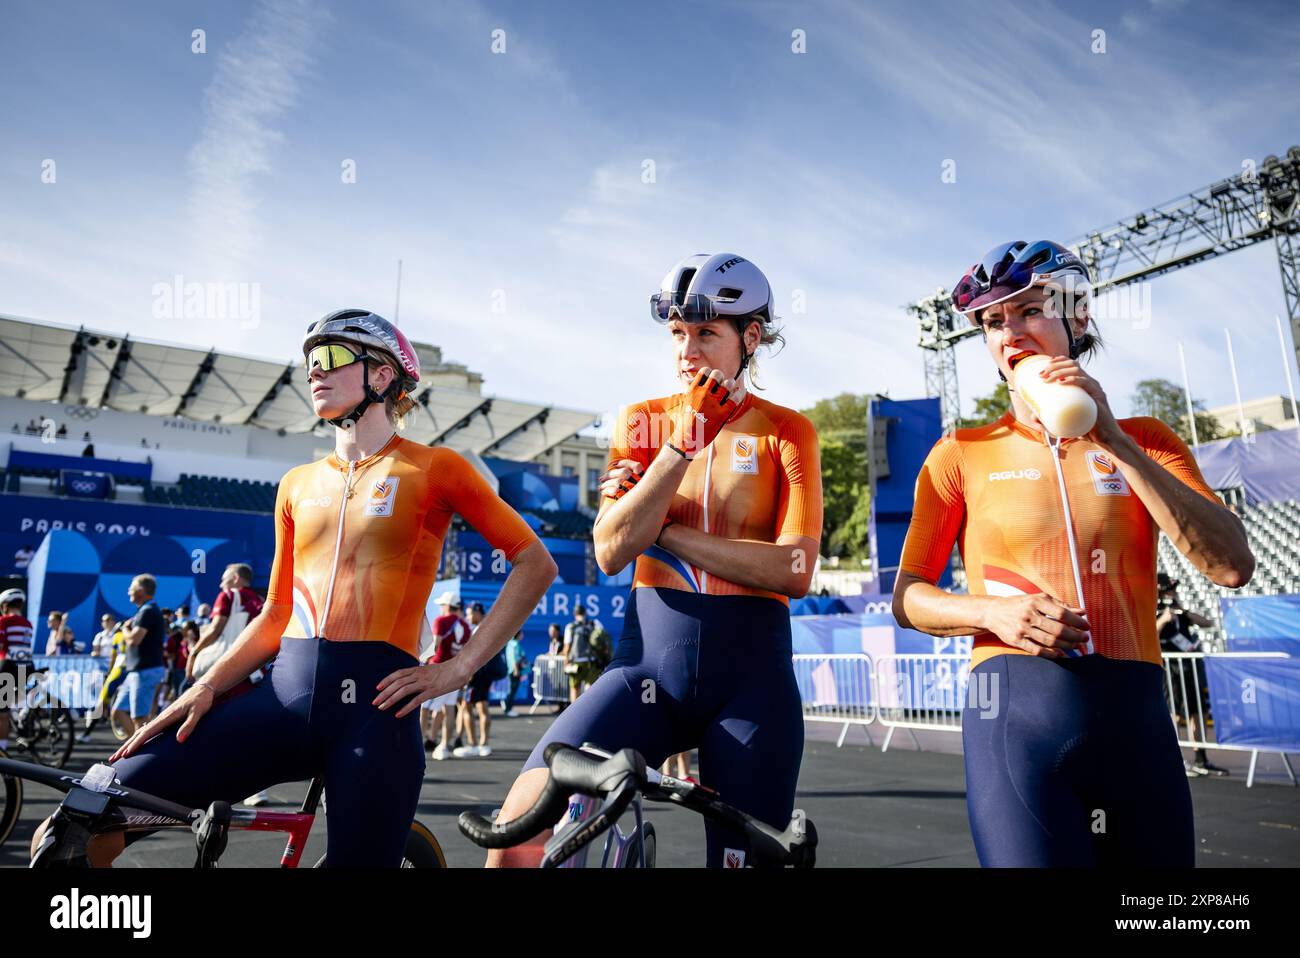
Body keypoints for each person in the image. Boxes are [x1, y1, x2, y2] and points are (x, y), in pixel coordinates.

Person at [48, 308, 556, 868]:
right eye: (310, 362)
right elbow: (276, 612)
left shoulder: (437, 468)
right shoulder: (296, 483)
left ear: (382, 375)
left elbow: (535, 563)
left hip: (375, 716)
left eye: (333, 358)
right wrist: (207, 686)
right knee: (84, 818)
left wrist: (458, 668)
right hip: (281, 701)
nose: (315, 372)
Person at [892, 239, 1255, 868]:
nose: (1010, 333)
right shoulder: (962, 451)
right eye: (992, 322)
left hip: (1135, 724)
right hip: (1014, 719)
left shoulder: (1146, 438)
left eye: (1029, 309)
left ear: (1078, 317)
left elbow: (1231, 565)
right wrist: (991, 614)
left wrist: (1112, 438)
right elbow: (909, 598)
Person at [489, 253, 823, 868]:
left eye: (705, 333)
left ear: (751, 337)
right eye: (677, 333)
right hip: (646, 673)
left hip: (752, 688)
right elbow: (613, 549)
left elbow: (795, 571)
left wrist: (662, 532)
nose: (686, 350)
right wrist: (682, 443)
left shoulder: (788, 430)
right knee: (517, 834)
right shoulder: (642, 422)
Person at [1156, 573, 1227, 777]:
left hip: (1189, 667)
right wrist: (1163, 619)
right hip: (1172, 670)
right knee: (1175, 715)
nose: (1173, 592)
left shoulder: (1180, 612)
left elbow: (1207, 623)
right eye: (1169, 589)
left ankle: (1200, 759)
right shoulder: (1153, 611)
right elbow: (1149, 633)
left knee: (1199, 712)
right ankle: (1173, 760)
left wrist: (1184, 613)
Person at [108, 575, 169, 736]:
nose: (128, 591)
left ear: (141, 591)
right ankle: (135, 751)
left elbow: (134, 640)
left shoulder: (147, 611)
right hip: (138, 671)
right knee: (118, 712)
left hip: (145, 671)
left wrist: (124, 629)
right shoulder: (145, 610)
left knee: (140, 719)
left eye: (131, 588)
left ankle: (143, 756)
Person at [187, 563, 263, 685]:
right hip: (254, 670)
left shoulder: (228, 595)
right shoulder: (261, 602)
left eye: (223, 580)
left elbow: (215, 629)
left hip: (226, 669)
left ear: (235, 578)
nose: (221, 585)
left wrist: (194, 653)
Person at [423, 592, 471, 760]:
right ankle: (443, 745)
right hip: (454, 671)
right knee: (449, 709)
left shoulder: (440, 621)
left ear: (447, 606)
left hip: (436, 669)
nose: (440, 607)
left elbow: (434, 646)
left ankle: (422, 740)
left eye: (442, 605)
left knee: (425, 707)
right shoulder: (465, 626)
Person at [457, 601, 505, 757]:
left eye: (470, 613)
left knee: (467, 706)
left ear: (478, 612)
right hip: (483, 674)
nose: (468, 616)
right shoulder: (488, 626)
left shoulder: (481, 629)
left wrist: (468, 674)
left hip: (476, 675)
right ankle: (483, 744)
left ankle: (474, 744)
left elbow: (475, 655)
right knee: (481, 706)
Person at [0, 589, 34, 753]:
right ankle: (22, 715)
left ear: (5, 605)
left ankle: (3, 750)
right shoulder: (28, 624)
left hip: (8, 666)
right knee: (15, 698)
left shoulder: (3, 621)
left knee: (2, 712)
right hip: (27, 667)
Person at [560, 605, 604, 703]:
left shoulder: (570, 627)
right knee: (590, 689)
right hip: (591, 661)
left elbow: (567, 648)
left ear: (574, 614)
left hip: (576, 662)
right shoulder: (594, 624)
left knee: (575, 688)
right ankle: (589, 712)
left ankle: (574, 714)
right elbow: (603, 639)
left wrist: (565, 663)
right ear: (585, 613)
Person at [502, 629, 526, 716]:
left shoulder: (510, 644)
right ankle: (508, 709)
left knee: (511, 690)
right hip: (514, 671)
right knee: (512, 690)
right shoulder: (515, 644)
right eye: (521, 633)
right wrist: (516, 669)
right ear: (518, 634)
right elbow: (514, 658)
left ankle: (507, 707)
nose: (523, 635)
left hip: (511, 670)